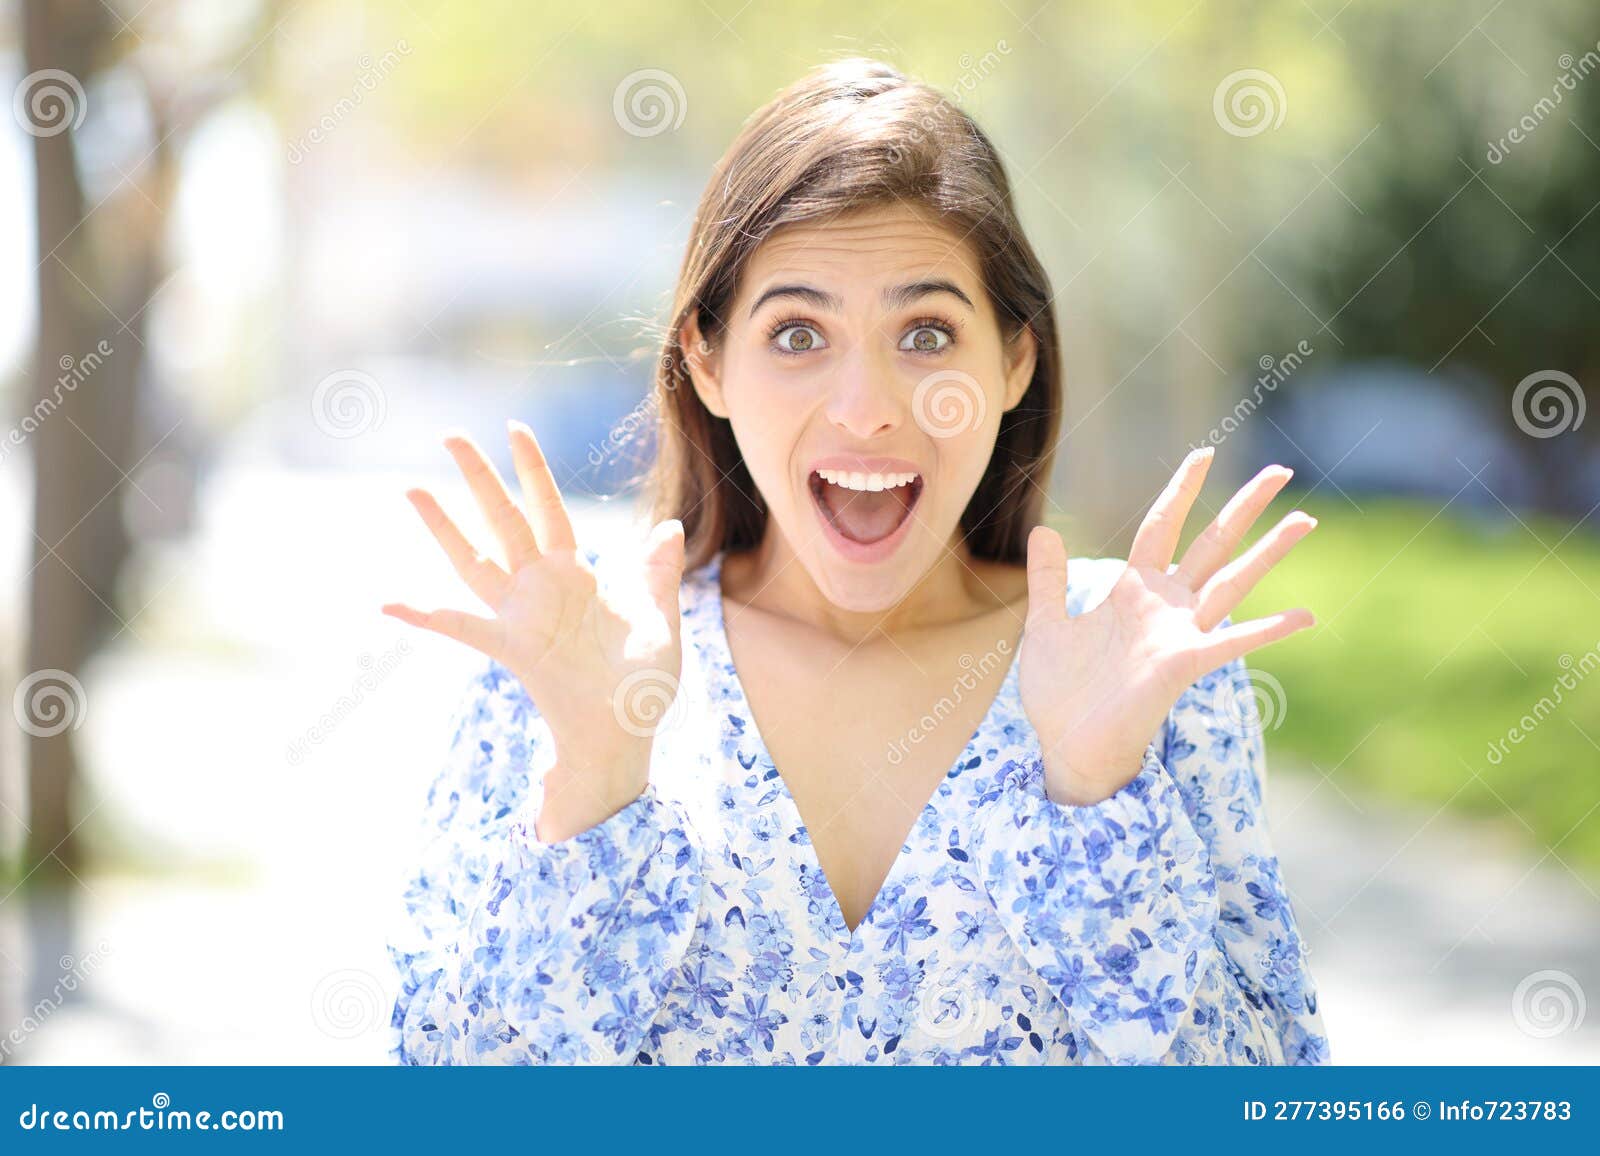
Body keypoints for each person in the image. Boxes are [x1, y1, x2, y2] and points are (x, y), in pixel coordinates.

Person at [382, 58, 1328, 1065]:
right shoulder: (567, 663)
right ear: (707, 363)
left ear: (1013, 361)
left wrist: (1096, 793)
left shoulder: (1141, 663)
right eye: (796, 333)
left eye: (925, 333)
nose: (866, 406)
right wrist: (595, 781)